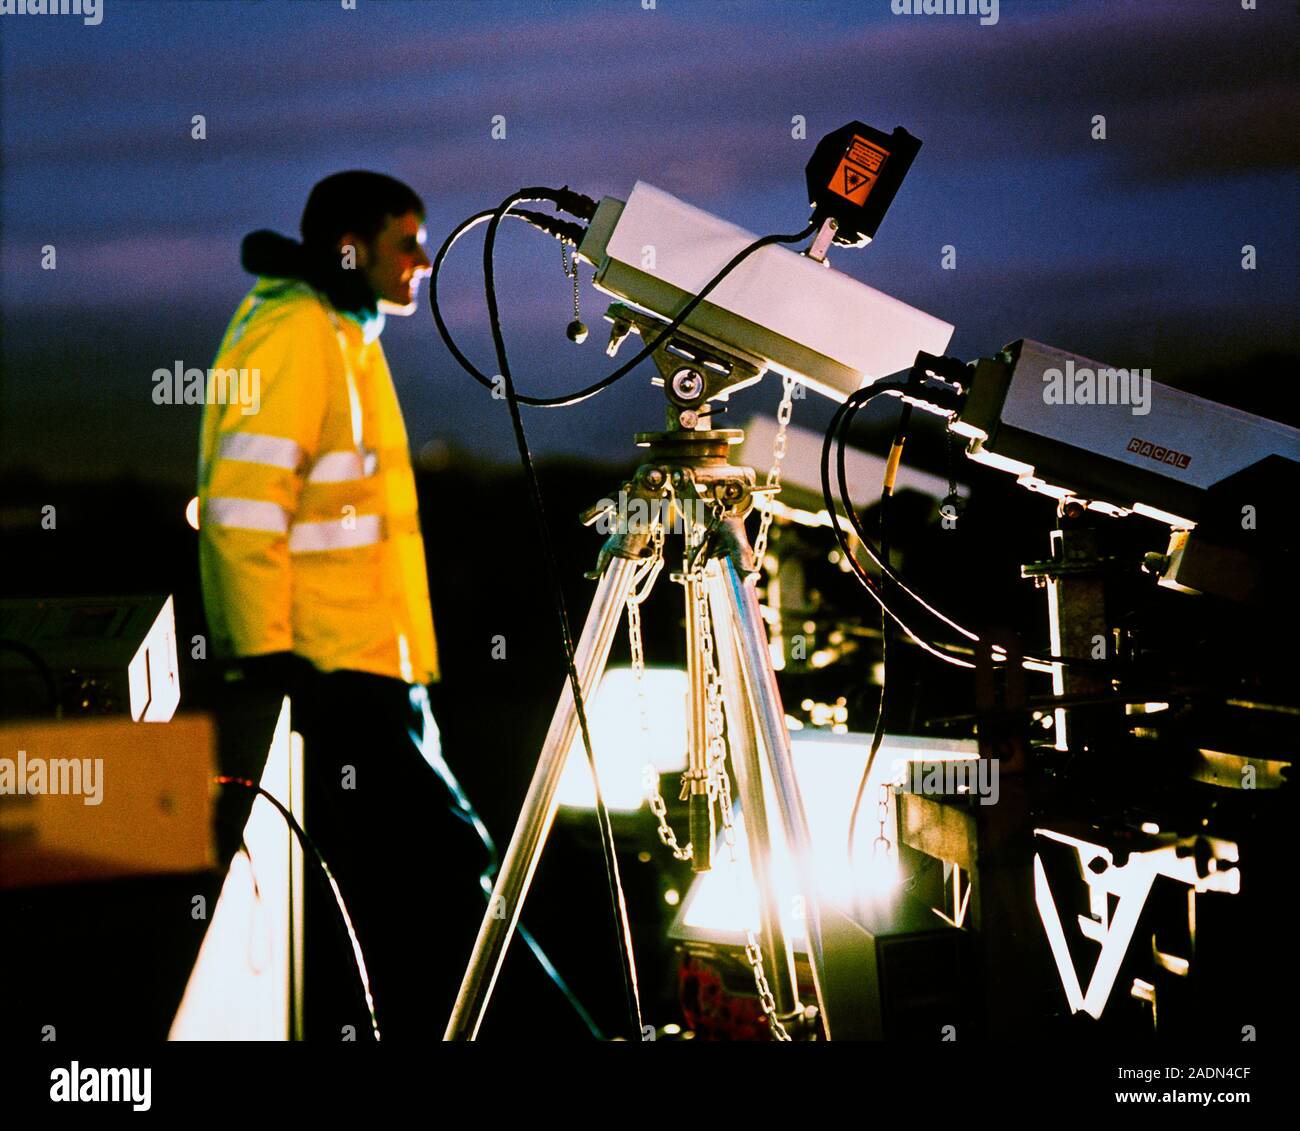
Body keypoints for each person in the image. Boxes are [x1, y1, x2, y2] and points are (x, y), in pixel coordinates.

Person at [198, 171, 482, 1040]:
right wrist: (273, 664)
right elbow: (241, 511)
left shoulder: (342, 333)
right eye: (408, 241)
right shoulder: (295, 333)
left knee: (419, 897)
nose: (425, 261)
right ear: (351, 248)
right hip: (335, 679)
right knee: (449, 879)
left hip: (374, 671)